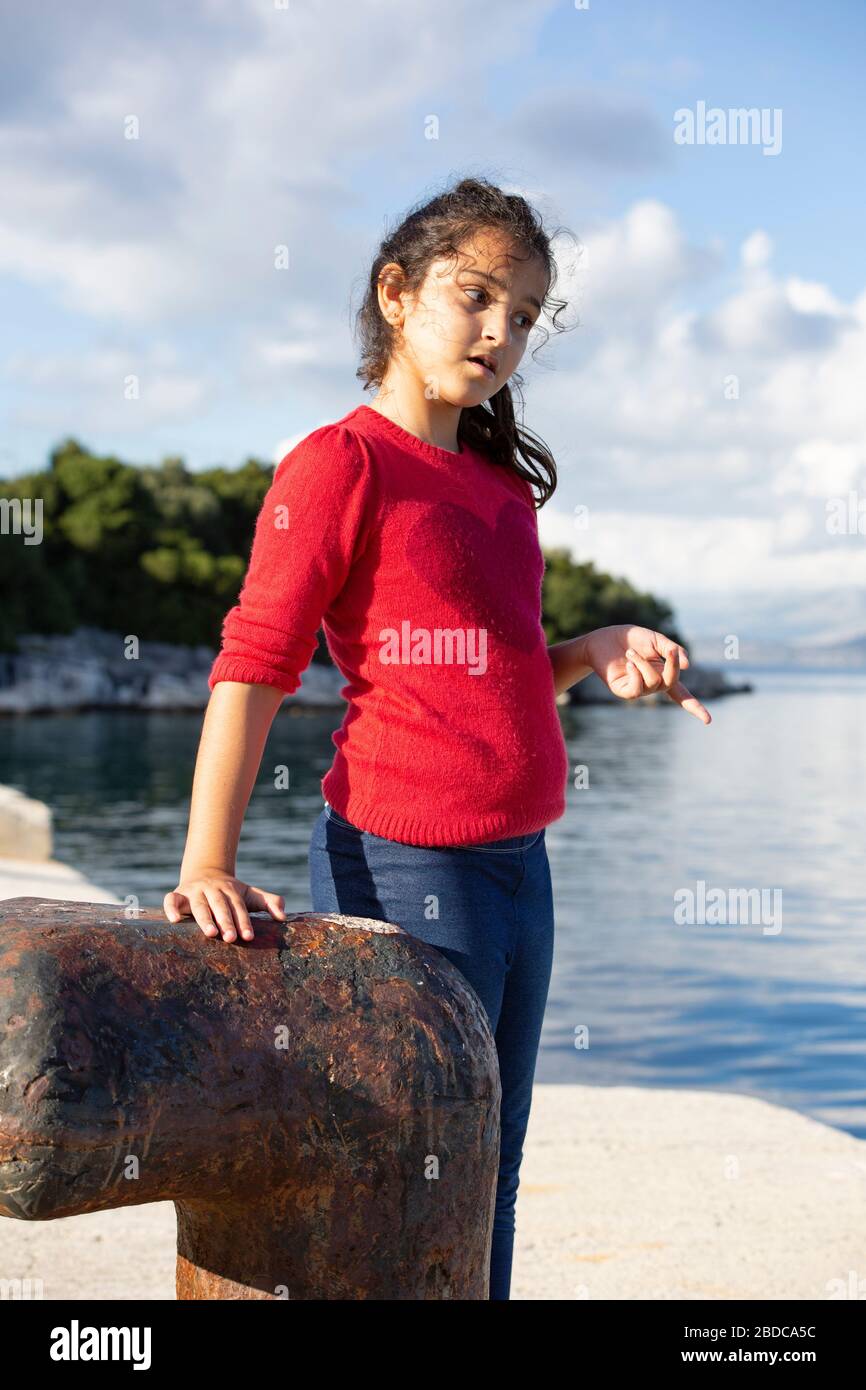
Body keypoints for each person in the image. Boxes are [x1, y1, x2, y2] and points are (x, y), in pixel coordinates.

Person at [164, 174, 711, 1301]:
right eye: (475, 296)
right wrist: (206, 860)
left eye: (522, 313)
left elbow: (487, 667)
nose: (500, 331)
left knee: (488, 1166)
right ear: (396, 293)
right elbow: (255, 660)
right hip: (408, 863)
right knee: (411, 1168)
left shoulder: (499, 492)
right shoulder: (339, 465)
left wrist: (589, 648)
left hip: (522, 870)